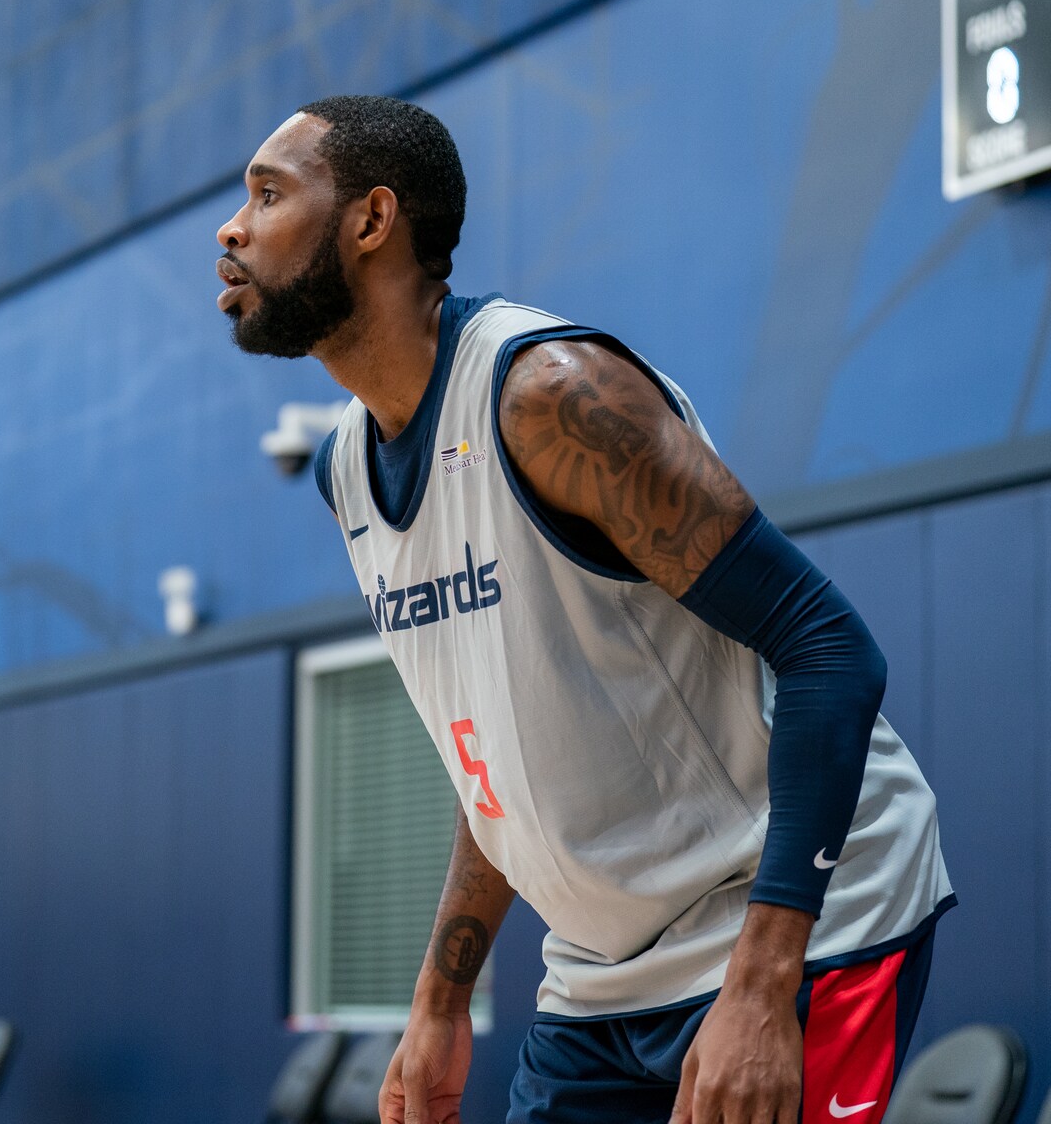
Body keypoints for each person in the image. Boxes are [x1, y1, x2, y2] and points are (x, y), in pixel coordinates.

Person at [215, 95, 954, 1124]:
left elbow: (830, 650)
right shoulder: (347, 467)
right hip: (602, 972)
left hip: (795, 928)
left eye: (265, 193)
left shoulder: (549, 397)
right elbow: (503, 765)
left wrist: (758, 984)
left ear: (370, 220)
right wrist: (438, 1000)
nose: (230, 227)